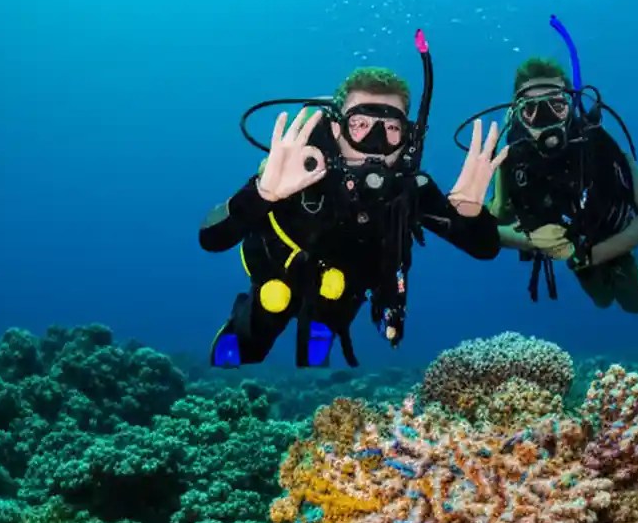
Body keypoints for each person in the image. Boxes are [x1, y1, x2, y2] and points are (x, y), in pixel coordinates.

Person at [199, 31, 507, 368]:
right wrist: (261, 195)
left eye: (390, 128)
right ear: (336, 130)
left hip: (343, 292)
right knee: (256, 330)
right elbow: (211, 238)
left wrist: (471, 214)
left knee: (323, 332)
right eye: (360, 124)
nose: (375, 141)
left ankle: (319, 344)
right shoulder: (297, 172)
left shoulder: (410, 188)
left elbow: (485, 248)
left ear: (408, 137)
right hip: (277, 277)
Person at [458, 16, 638, 314]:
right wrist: (469, 215)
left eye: (556, 106)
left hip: (608, 235)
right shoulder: (509, 160)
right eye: (531, 110)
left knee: (634, 303)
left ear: (571, 105)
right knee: (603, 300)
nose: (545, 121)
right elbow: (497, 221)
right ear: (516, 115)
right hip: (573, 248)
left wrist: (595, 254)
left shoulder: (598, 145)